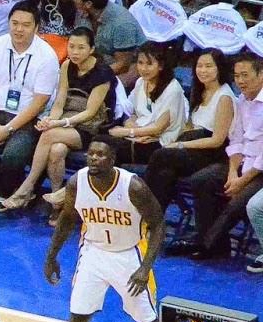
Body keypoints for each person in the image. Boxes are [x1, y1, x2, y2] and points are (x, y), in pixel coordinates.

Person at [41, 140, 164, 322]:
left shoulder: (133, 186)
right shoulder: (77, 182)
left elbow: (158, 223)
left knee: (149, 321)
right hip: (93, 254)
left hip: (128, 256)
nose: (93, 158)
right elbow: (67, 219)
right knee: (77, 316)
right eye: (90, 153)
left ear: (112, 159)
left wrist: (145, 267)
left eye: (100, 154)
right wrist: (51, 256)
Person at [0, 27, 114, 219]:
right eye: (71, 46)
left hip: (91, 127)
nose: (74, 52)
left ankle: (26, 188)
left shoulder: (103, 73)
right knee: (56, 149)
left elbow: (90, 112)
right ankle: (59, 205)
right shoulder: (67, 65)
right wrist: (51, 119)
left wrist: (59, 124)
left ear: (92, 49)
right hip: (66, 122)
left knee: (49, 135)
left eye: (81, 48)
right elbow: (60, 101)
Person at [0, 3, 61, 202]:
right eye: (14, 23)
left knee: (14, 155)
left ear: (36, 27)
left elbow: (40, 102)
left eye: (25, 25)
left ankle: (4, 189)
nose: (19, 29)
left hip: (29, 117)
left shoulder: (47, 56)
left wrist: (8, 129)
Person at [187, 53, 263, 263]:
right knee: (202, 180)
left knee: (237, 201)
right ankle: (217, 245)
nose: (240, 80)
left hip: (259, 170)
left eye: (245, 75)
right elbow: (236, 140)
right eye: (237, 75)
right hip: (240, 163)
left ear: (261, 74)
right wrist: (232, 171)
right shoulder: (241, 101)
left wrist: (242, 179)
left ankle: (206, 244)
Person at [146, 50, 236, 227]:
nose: (203, 70)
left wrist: (179, 145)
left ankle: (142, 211)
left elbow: (217, 140)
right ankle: (152, 224)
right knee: (165, 174)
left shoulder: (224, 96)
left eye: (209, 66)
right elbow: (188, 126)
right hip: (194, 145)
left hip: (213, 151)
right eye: (199, 66)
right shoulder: (199, 90)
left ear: (220, 69)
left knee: (160, 155)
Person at [103, 45, 187, 167]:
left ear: (161, 66)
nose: (143, 68)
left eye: (149, 64)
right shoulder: (140, 82)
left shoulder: (173, 89)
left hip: (160, 142)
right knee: (103, 143)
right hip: (139, 136)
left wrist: (128, 132)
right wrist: (129, 124)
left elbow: (158, 129)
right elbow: (135, 114)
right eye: (140, 63)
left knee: (105, 144)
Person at [73, 0, 144, 87]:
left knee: (100, 88)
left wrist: (91, 75)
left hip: (130, 66)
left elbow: (123, 65)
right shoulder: (81, 11)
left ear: (88, 4)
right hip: (99, 60)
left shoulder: (122, 24)